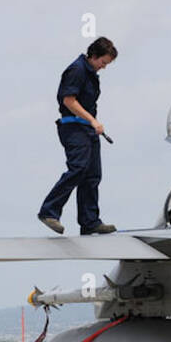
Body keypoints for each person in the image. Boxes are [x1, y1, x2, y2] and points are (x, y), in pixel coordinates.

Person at [37, 38, 118, 235]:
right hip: (73, 127)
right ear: (94, 56)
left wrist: (92, 123)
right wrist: (92, 120)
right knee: (78, 168)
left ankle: (89, 221)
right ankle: (49, 212)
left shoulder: (91, 72)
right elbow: (69, 101)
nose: (103, 67)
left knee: (93, 175)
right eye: (103, 63)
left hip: (88, 129)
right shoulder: (77, 69)